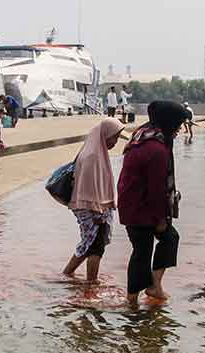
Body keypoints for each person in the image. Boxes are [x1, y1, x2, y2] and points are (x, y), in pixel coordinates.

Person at [117, 101, 189, 306]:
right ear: (168, 123)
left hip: (132, 202)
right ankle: (132, 299)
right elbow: (156, 189)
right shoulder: (155, 149)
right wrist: (160, 219)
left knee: (164, 240)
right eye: (178, 124)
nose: (179, 130)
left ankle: (153, 287)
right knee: (143, 250)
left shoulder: (143, 134)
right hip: (141, 208)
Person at [63, 118, 125, 281]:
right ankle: (91, 284)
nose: (115, 142)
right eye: (114, 137)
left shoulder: (94, 152)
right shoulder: (93, 156)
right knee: (96, 248)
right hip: (93, 210)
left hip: (91, 208)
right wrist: (98, 213)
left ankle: (68, 274)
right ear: (105, 135)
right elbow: (89, 189)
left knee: (87, 245)